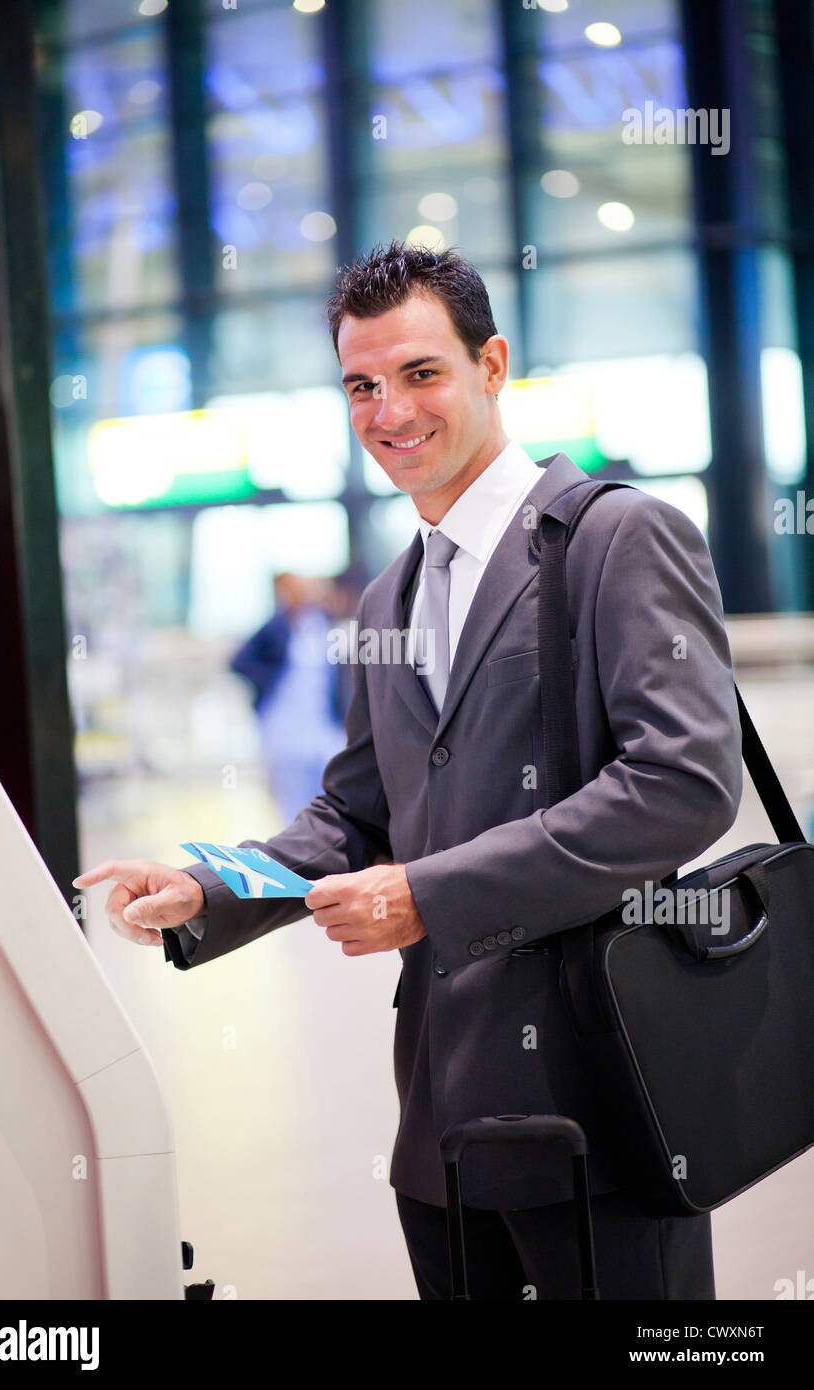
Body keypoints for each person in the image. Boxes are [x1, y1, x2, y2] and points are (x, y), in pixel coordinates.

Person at [74, 240, 743, 1300]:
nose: (388, 411)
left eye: (419, 373)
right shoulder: (386, 598)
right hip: (439, 1121)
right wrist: (213, 887)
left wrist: (427, 894)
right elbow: (355, 814)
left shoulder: (615, 540)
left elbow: (681, 783)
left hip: (601, 1106)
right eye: (360, 384)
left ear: (492, 365)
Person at [228, 573, 348, 825]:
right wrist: (269, 682)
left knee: (330, 793)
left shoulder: (323, 624)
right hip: (284, 727)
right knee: (292, 800)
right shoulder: (276, 627)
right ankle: (296, 859)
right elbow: (238, 662)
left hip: (323, 726)